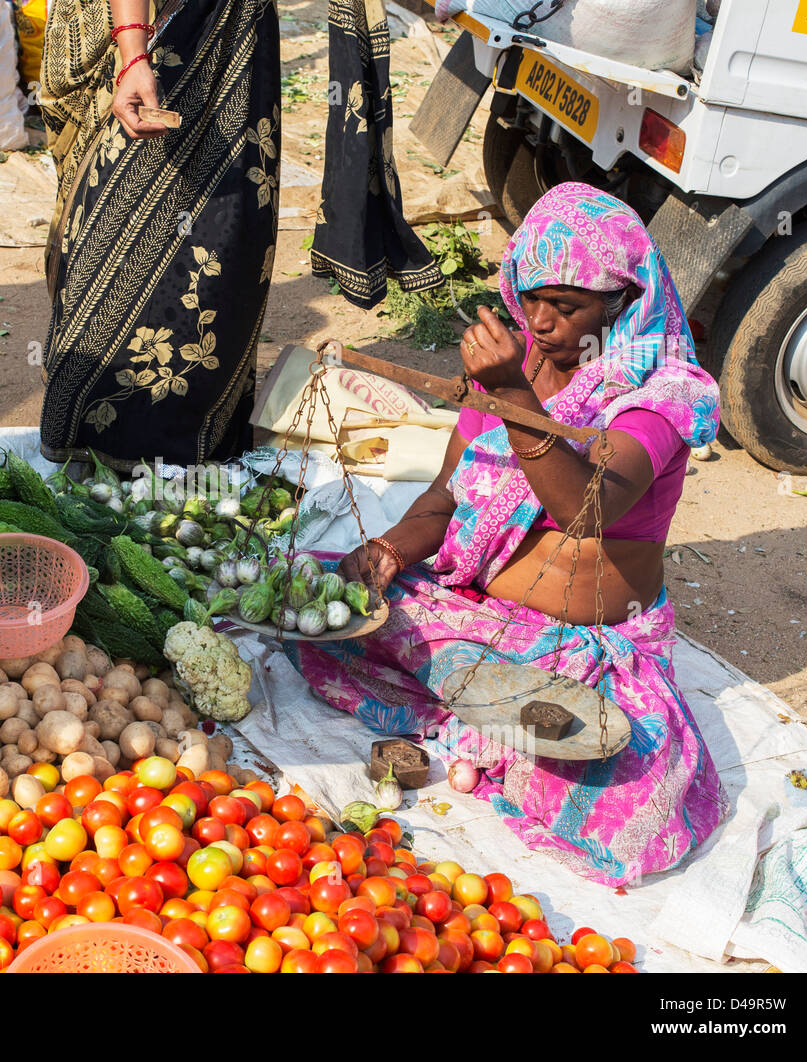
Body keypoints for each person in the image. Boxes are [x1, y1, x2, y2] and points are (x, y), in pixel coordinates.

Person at [288, 183, 727, 886]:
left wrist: (513, 398)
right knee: (326, 602)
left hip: (591, 648)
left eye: (569, 306)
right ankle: (480, 714)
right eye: (533, 300)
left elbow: (591, 507)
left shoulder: (662, 390)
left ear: (618, 301)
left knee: (631, 785)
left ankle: (479, 718)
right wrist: (390, 550)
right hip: (485, 619)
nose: (546, 323)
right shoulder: (512, 361)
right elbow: (445, 496)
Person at [36, 0, 281, 472]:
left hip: (234, 41)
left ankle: (184, 456)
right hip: (158, 34)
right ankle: (87, 440)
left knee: (222, 244)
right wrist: (133, 51)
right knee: (114, 230)